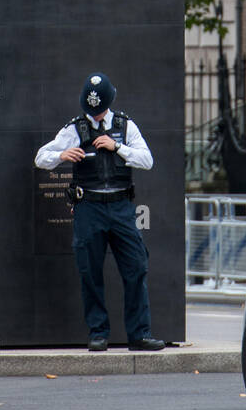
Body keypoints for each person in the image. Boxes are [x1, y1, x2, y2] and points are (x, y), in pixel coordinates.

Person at [35, 73, 164, 352]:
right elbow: (40, 157)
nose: (94, 116)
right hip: (89, 207)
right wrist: (61, 155)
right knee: (90, 271)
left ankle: (139, 334)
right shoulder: (74, 128)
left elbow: (147, 160)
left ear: (108, 103)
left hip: (120, 207)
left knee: (136, 267)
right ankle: (98, 332)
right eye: (91, 110)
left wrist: (117, 146)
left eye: (98, 110)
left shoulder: (124, 126)